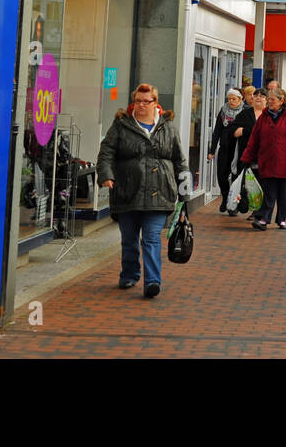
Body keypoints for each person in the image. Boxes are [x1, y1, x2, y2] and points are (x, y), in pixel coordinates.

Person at [95, 84, 188, 299]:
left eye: (147, 101)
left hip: (160, 192)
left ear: (155, 103)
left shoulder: (168, 127)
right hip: (128, 191)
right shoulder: (121, 125)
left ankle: (153, 281)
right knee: (129, 238)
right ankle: (130, 273)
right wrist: (106, 175)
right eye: (138, 101)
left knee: (151, 238)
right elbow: (106, 152)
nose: (142, 105)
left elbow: (179, 160)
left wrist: (184, 192)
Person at [240, 88, 286, 230]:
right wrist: (247, 157)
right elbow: (254, 140)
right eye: (268, 99)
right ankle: (264, 219)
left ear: (281, 101)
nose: (269, 102)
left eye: (272, 99)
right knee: (269, 193)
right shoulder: (264, 118)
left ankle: (282, 218)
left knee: (283, 194)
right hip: (268, 161)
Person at [207, 88, 255, 215]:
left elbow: (251, 129)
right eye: (229, 99)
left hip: (238, 149)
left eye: (234, 99)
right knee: (222, 175)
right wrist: (212, 150)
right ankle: (225, 197)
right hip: (224, 147)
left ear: (240, 99)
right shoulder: (223, 110)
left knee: (236, 176)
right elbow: (217, 130)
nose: (231, 101)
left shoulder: (246, 112)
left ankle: (233, 204)